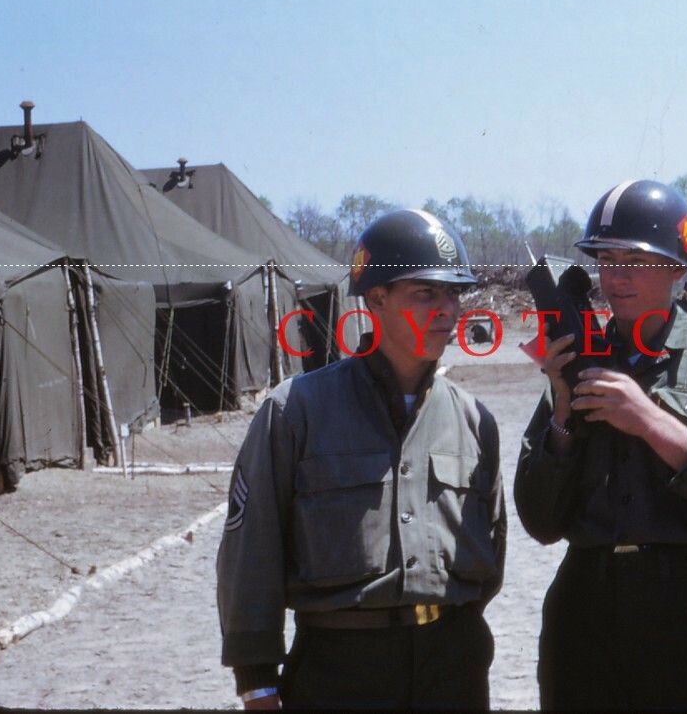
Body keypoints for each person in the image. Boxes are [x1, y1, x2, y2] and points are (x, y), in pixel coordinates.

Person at [514, 179, 687, 710]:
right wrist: (562, 407)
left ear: (678, 268)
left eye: (636, 260)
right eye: (607, 259)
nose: (616, 276)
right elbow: (540, 520)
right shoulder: (578, 358)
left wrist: (652, 422)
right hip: (585, 621)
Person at [217, 209, 506, 709]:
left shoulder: (474, 420)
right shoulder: (297, 410)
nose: (447, 309)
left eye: (454, 293)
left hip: (453, 668)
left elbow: (492, 554)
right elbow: (251, 551)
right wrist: (256, 680)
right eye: (426, 293)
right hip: (341, 668)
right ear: (376, 298)